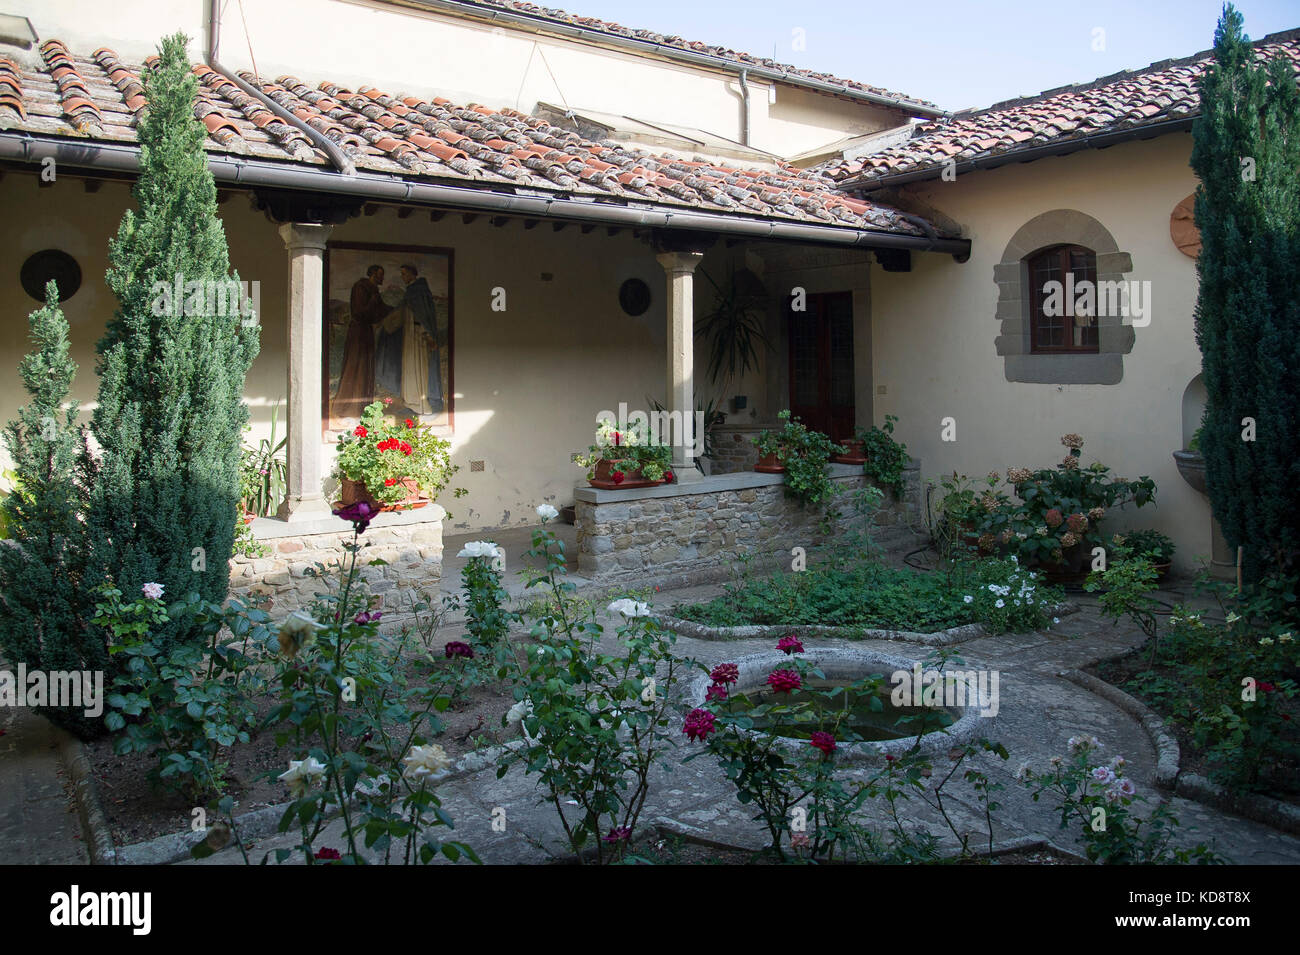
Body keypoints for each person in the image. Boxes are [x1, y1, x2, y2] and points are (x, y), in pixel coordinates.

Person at [333, 264, 391, 420]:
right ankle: (345, 408)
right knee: (354, 366)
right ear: (372, 274)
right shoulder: (361, 287)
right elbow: (359, 312)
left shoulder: (374, 290)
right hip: (358, 331)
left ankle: (362, 408)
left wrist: (395, 309)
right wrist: (373, 303)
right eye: (380, 274)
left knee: (365, 368)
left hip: (366, 332)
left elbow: (381, 309)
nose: (382, 278)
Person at [398, 264, 444, 415]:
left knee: (419, 368)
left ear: (412, 274)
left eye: (404, 274)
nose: (402, 277)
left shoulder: (419, 290)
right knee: (410, 367)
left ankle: (421, 404)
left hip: (419, 334)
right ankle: (411, 402)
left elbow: (423, 315)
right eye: (402, 274)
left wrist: (426, 334)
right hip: (410, 335)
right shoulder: (411, 290)